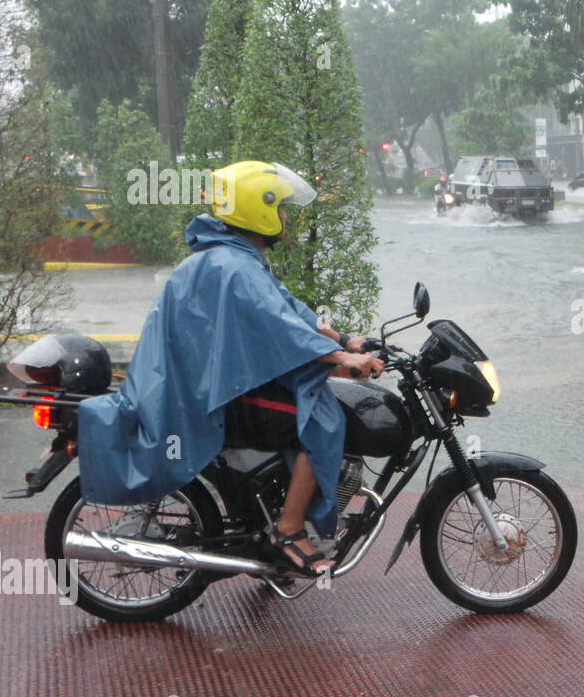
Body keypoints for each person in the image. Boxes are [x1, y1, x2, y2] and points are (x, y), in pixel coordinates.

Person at [78, 161, 384, 577]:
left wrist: (345, 339)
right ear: (259, 209)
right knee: (323, 421)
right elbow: (280, 329)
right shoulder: (234, 266)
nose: (286, 217)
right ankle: (289, 529)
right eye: (280, 208)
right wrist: (343, 360)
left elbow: (290, 312)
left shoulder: (232, 256)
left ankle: (269, 508)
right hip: (204, 395)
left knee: (310, 403)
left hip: (198, 385)